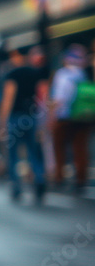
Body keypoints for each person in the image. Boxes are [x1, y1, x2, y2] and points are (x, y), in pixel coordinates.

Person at [0, 47, 48, 204]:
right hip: (31, 116)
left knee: (13, 153)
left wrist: (1, 122)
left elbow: (8, 98)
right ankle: (39, 179)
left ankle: (16, 185)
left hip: (15, 117)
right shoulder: (35, 73)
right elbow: (43, 96)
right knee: (33, 150)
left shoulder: (12, 74)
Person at [49, 44, 90, 194]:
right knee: (80, 149)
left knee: (59, 148)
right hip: (83, 116)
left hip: (64, 117)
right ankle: (81, 179)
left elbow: (59, 98)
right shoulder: (83, 74)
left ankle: (59, 177)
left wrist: (52, 115)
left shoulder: (62, 74)